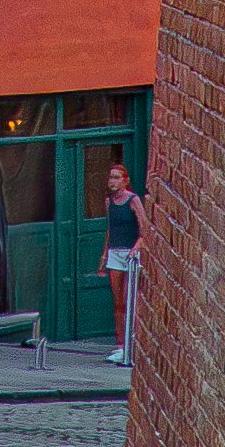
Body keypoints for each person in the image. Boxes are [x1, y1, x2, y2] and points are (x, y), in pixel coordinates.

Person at [100, 154, 141, 367]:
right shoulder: (109, 203)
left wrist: (136, 248)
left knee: (129, 299)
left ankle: (131, 345)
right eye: (110, 177)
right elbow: (110, 229)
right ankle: (119, 344)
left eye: (116, 177)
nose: (112, 181)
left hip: (130, 253)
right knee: (118, 301)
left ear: (125, 180)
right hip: (115, 252)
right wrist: (104, 254)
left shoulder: (133, 200)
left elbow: (145, 229)